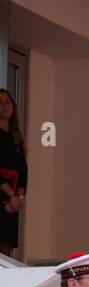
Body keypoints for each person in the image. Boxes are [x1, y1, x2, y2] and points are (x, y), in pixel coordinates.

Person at [0, 89, 28, 256]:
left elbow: (24, 172)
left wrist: (19, 198)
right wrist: (11, 196)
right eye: (0, 103)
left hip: (13, 202)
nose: (4, 106)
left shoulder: (16, 138)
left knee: (6, 250)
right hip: (3, 196)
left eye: (8, 102)